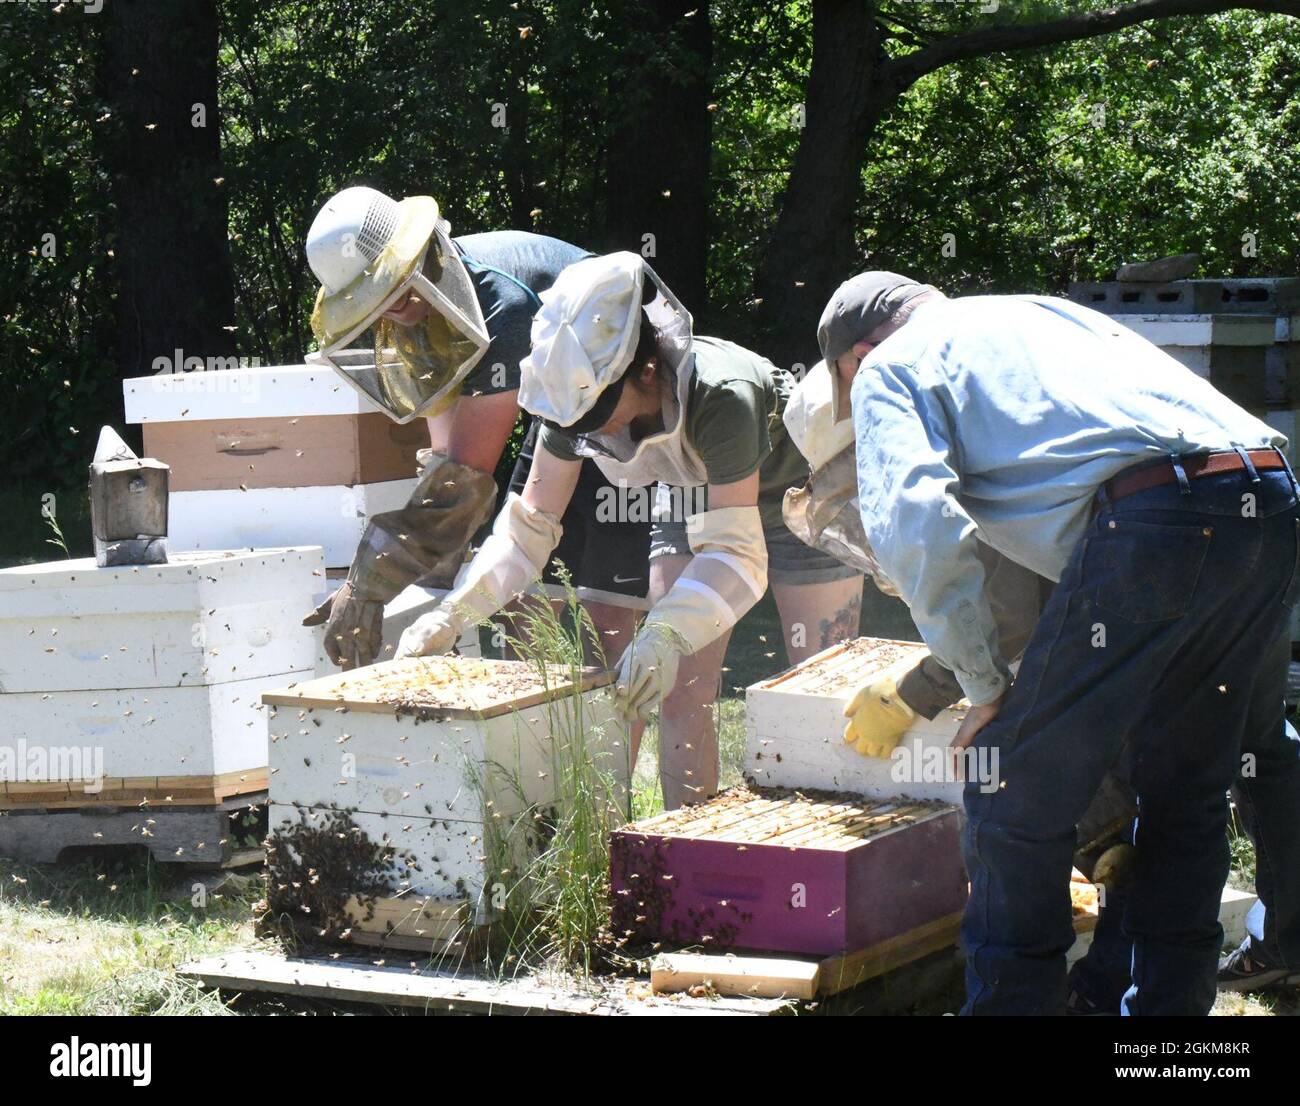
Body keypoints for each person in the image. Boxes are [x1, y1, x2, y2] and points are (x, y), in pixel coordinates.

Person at [819, 269, 1300, 1015]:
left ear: (854, 356)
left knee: (1008, 788)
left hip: (1155, 516)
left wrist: (983, 689)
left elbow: (920, 524)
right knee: (1185, 793)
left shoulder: (890, 365)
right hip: (1268, 493)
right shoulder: (1035, 315)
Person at [396, 251, 864, 808]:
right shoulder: (575, 400)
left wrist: (665, 631)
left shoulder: (722, 394)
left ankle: (844, 846)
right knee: (676, 690)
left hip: (799, 493)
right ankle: (682, 856)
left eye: (597, 417)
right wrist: (454, 612)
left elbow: (737, 559)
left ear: (646, 370)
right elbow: (528, 531)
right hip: (689, 486)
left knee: (822, 687)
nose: (593, 435)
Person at [300, 186, 650, 669]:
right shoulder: (421, 318)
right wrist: (426, 574)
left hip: (622, 399)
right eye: (376, 296)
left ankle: (611, 734)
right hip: (556, 409)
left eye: (395, 282)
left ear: (421, 250)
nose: (394, 304)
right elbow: (446, 457)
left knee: (605, 616)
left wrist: (375, 575)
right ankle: (535, 735)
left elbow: (470, 468)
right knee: (520, 606)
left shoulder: (500, 302)